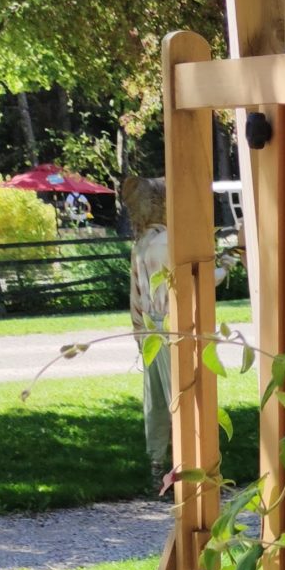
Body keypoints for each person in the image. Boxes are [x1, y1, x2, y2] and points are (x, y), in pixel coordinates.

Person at [121, 173, 172, 489]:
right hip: (171, 328)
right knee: (179, 396)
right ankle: (184, 468)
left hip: (151, 329)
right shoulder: (166, 242)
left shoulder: (142, 245)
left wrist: (139, 334)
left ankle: (158, 466)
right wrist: (227, 262)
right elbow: (197, 280)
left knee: (156, 400)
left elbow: (135, 299)